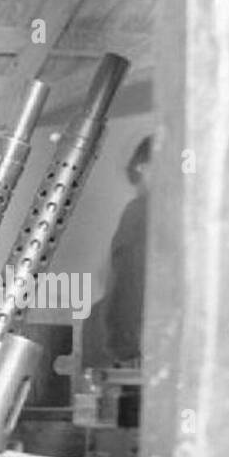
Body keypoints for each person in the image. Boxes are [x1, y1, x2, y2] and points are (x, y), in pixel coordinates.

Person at [86, 135, 152, 367]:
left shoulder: (141, 212)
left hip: (137, 349)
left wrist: (124, 346)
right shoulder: (145, 212)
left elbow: (129, 277)